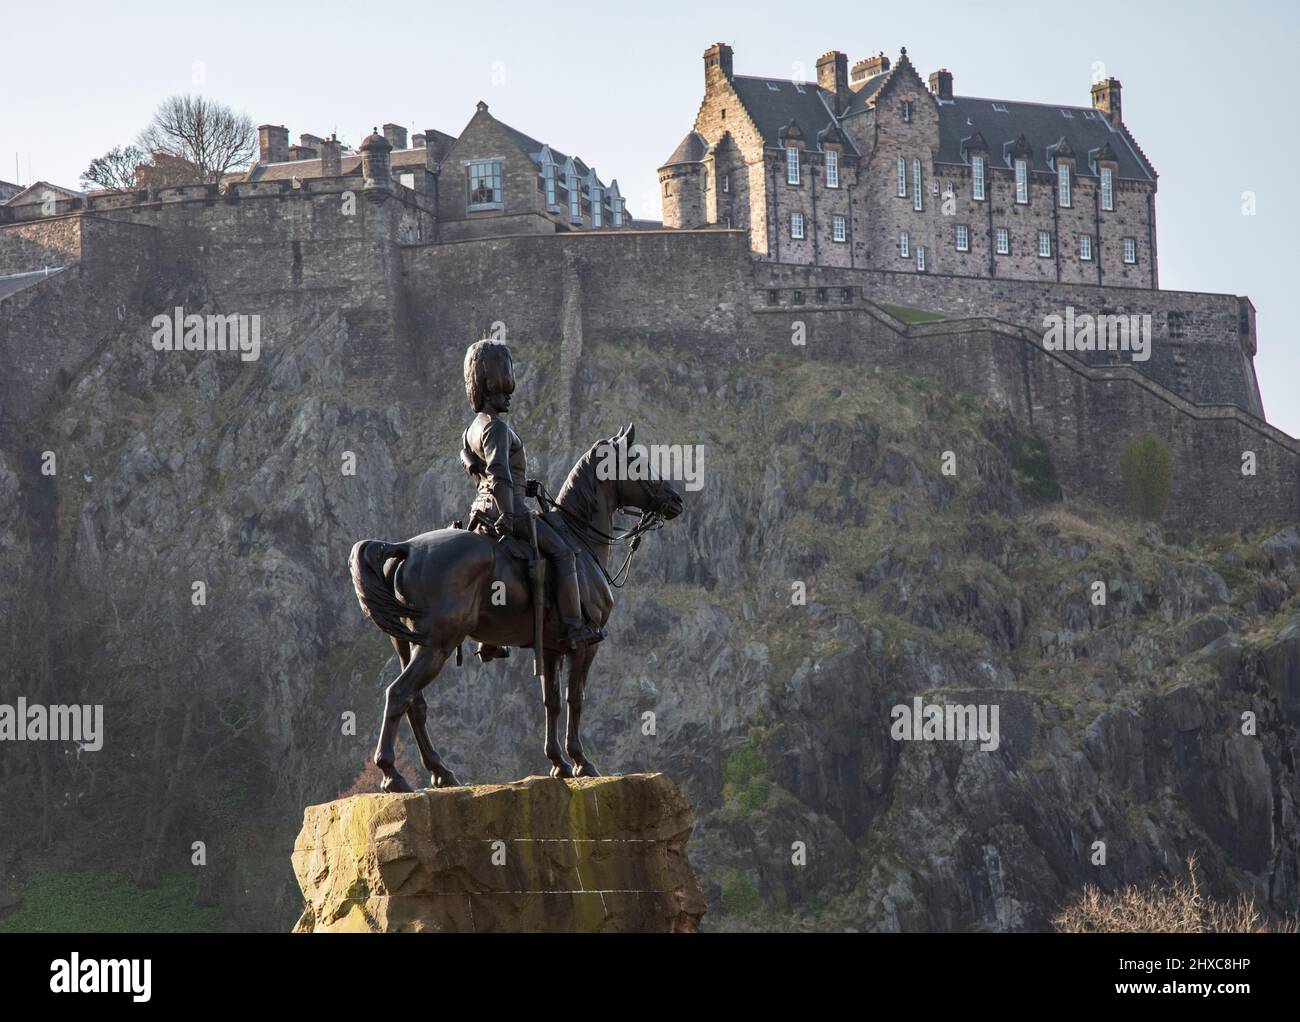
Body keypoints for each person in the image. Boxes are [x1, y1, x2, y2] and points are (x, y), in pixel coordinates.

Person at [460, 339, 603, 657]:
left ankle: (491, 637)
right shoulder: (495, 428)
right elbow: (498, 472)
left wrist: (526, 486)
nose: (510, 392)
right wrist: (511, 514)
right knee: (565, 553)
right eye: (506, 384)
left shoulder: (471, 429)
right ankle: (574, 627)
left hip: (481, 509)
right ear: (493, 382)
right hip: (505, 510)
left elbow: (481, 473)